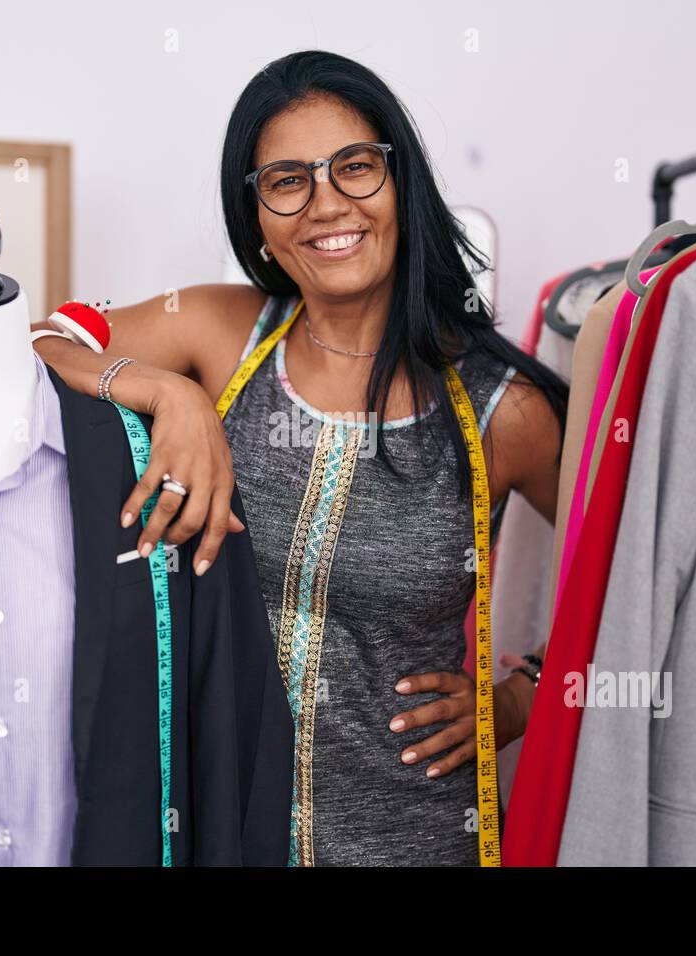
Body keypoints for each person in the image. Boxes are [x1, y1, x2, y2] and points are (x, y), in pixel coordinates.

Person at [34, 50, 566, 865]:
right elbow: (31, 342)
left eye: (355, 168)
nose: (326, 205)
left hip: (414, 840)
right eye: (287, 181)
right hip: (218, 829)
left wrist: (520, 697)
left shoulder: (502, 411)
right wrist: (171, 396)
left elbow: (638, 579)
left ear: (402, 184)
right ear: (257, 217)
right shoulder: (220, 333)